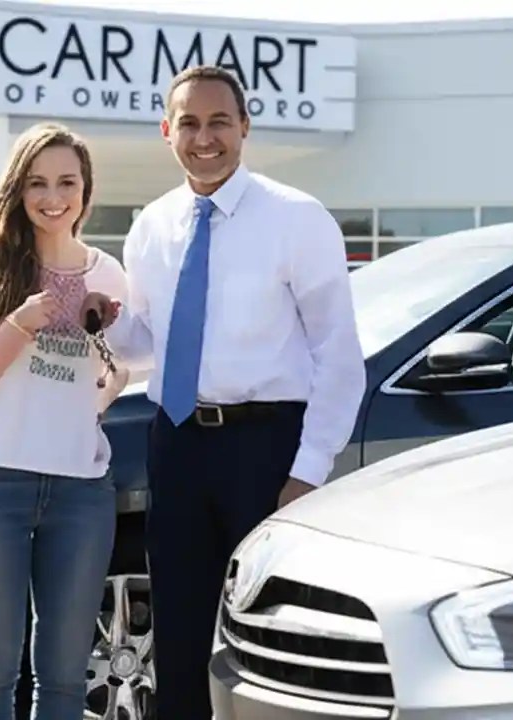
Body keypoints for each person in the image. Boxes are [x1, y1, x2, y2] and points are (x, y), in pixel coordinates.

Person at [103, 65, 367, 719]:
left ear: (245, 127)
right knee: (183, 637)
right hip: (177, 445)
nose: (205, 137)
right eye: (188, 123)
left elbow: (340, 359)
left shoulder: (297, 219)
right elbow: (144, 345)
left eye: (220, 121)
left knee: (273, 636)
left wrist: (306, 473)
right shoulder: (152, 227)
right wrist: (96, 318)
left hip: (266, 451)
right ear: (167, 132)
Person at [0, 122, 135, 720]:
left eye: (67, 183)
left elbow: (95, 389)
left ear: (86, 190)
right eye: (38, 183)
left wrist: (112, 386)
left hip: (81, 490)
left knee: (64, 678)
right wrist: (19, 323)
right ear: (17, 190)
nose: (54, 197)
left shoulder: (110, 275)